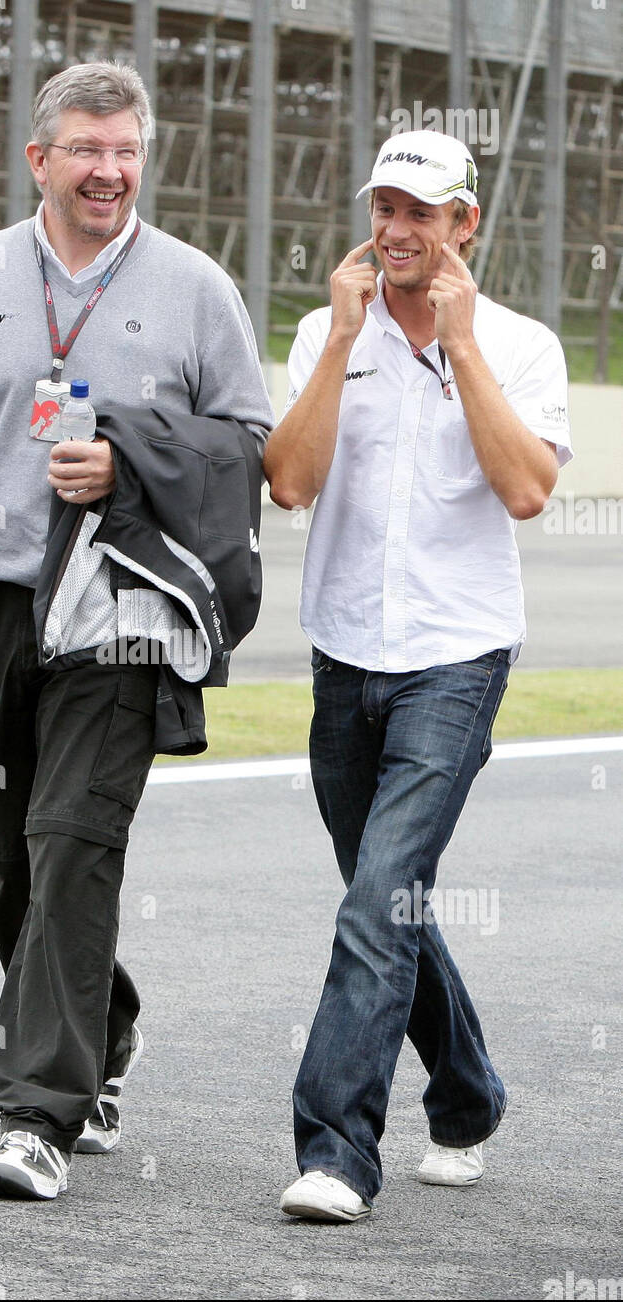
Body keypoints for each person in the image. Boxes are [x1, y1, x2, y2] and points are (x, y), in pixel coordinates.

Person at [0, 61, 273, 1201]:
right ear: (40, 159)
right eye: (87, 149)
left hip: (118, 607)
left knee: (75, 837)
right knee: (14, 857)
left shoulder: (193, 287)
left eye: (126, 150)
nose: (110, 171)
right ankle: (103, 1029)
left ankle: (36, 1112)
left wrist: (129, 462)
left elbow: (249, 449)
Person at [263, 129, 572, 1223]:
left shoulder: (524, 345)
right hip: (342, 653)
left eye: (419, 212)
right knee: (383, 900)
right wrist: (346, 338)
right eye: (383, 206)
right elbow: (289, 483)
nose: (394, 229)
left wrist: (460, 347)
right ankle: (469, 1090)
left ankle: (336, 1150)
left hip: (456, 656)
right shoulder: (320, 333)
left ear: (463, 225)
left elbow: (527, 489)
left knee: (371, 903)